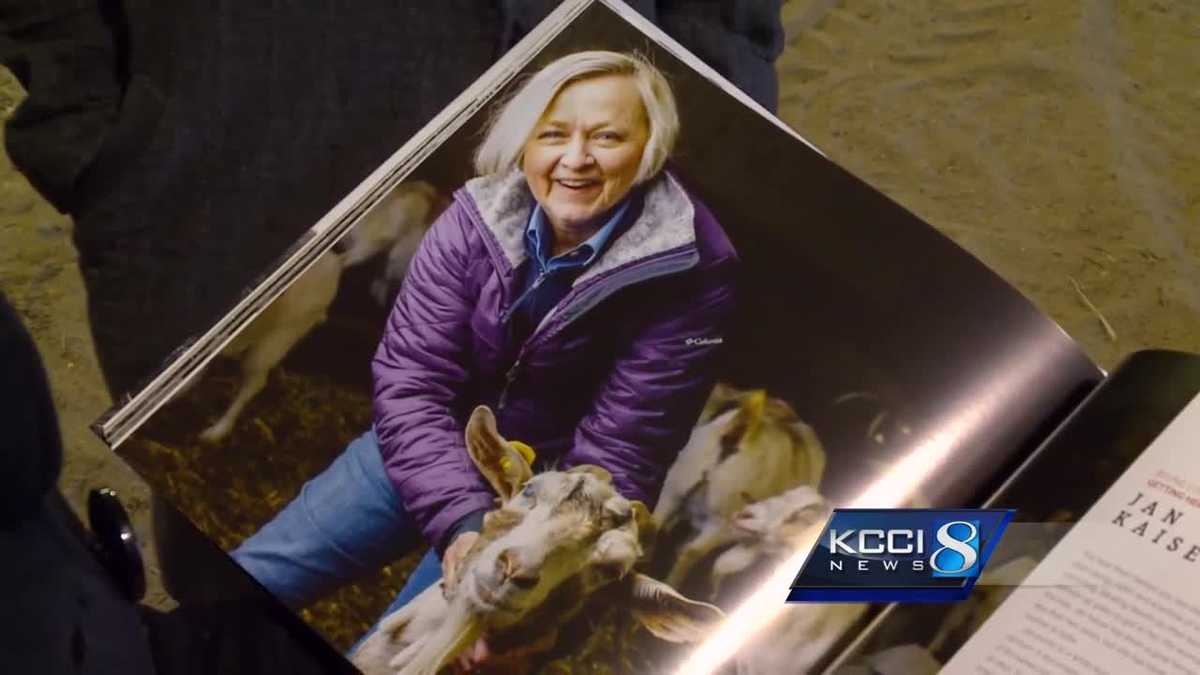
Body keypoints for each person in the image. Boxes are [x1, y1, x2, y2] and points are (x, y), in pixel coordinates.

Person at [230, 49, 739, 662]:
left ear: (650, 151)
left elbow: (624, 447)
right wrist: (465, 522)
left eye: (607, 137)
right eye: (554, 135)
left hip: (551, 502)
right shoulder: (474, 218)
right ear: (524, 141)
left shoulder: (694, 266)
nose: (575, 159)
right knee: (253, 578)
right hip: (432, 436)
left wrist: (540, 578)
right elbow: (411, 380)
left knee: (405, 660)